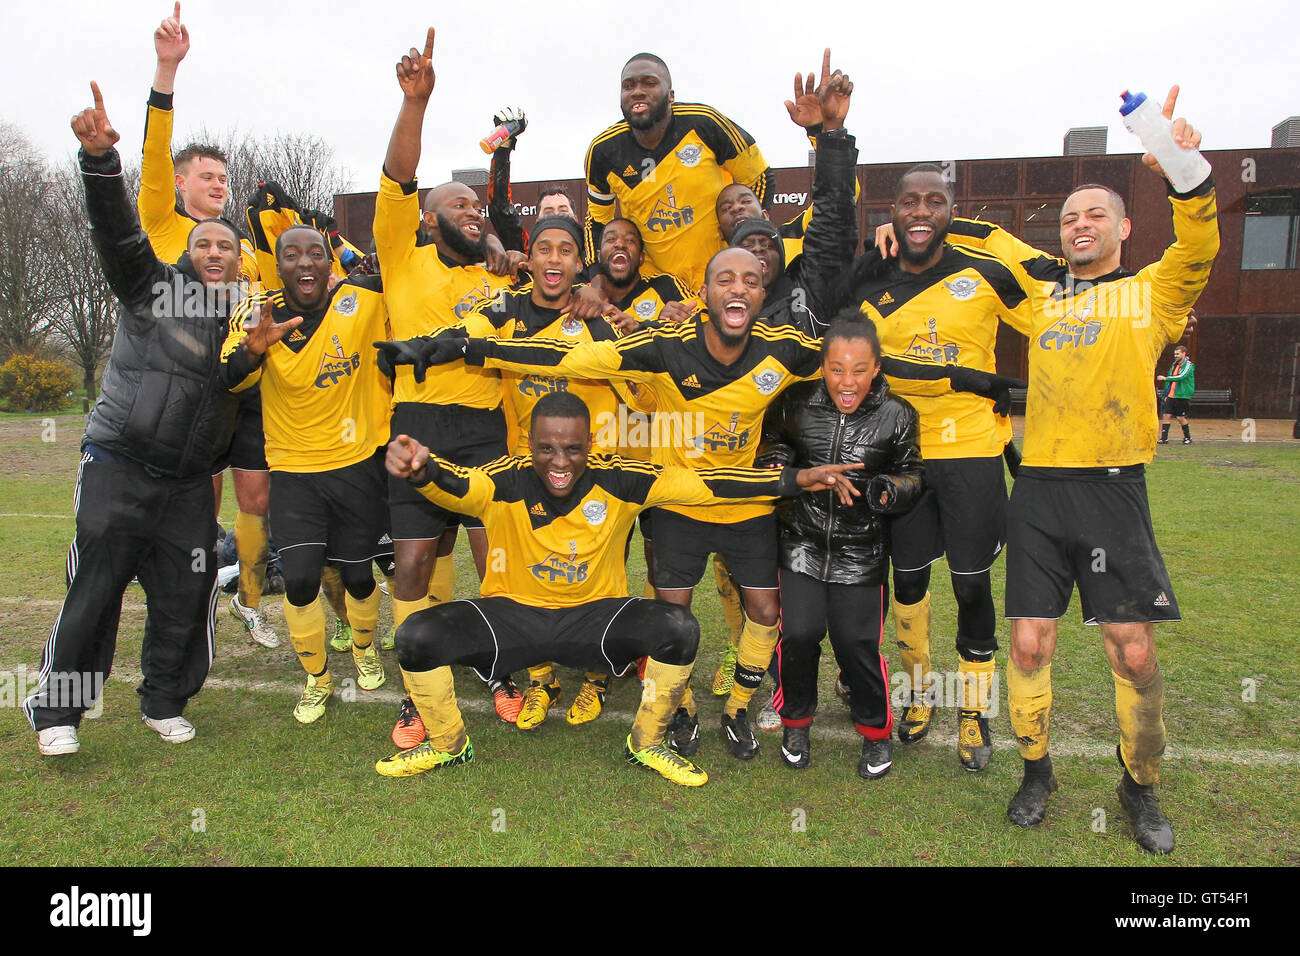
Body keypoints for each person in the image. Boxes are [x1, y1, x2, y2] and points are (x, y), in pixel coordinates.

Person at [375, 247, 1001, 761]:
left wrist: (983, 383)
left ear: (762, 295)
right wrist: (455, 347)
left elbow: (874, 365)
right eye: (723, 278)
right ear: (703, 292)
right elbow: (563, 355)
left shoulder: (783, 348)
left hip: (744, 503)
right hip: (677, 500)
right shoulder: (665, 347)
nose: (738, 288)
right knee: (670, 619)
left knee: (765, 610)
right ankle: (679, 712)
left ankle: (737, 711)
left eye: (752, 280)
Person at [941, 88, 1219, 854]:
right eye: (1068, 218)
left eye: (1094, 214)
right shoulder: (1042, 297)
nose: (1079, 226)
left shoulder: (1152, 293)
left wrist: (1181, 167)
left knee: (1132, 647)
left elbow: (1199, 245)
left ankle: (1140, 787)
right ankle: (1037, 772)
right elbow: (985, 243)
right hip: (1038, 493)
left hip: (1112, 491)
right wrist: (908, 232)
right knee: (1029, 644)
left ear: (1124, 227)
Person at [375, 391, 864, 785]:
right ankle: (448, 744)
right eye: (546, 448)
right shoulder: (506, 478)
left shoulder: (622, 477)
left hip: (595, 621)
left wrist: (797, 477)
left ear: (590, 444)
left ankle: (647, 740)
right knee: (416, 636)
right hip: (514, 617)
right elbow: (459, 486)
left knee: (678, 627)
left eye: (572, 448)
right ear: (529, 443)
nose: (559, 461)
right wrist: (424, 470)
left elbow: (710, 482)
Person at [25, 82, 241, 754]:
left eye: (224, 247)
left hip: (186, 487)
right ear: (187, 250)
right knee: (95, 592)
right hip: (119, 466)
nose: (212, 252)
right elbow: (117, 232)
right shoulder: (153, 287)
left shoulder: (244, 324)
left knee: (187, 592)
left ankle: (163, 700)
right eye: (202, 243)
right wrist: (98, 162)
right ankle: (59, 715)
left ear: (237, 261)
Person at [833, 163, 1033, 772]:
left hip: (972, 453)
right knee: (910, 583)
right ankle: (918, 692)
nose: (921, 212)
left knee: (972, 586)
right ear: (891, 212)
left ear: (952, 211)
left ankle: (973, 712)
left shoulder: (985, 272)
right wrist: (968, 377)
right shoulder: (871, 287)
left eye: (935, 202)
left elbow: (1055, 319)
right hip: (903, 458)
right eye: (909, 202)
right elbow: (861, 362)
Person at [373, 28, 527, 734]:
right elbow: (400, 176)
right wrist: (416, 103)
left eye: (478, 208)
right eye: (458, 207)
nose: (472, 213)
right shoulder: (402, 256)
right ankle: (418, 686)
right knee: (411, 566)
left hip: (485, 429)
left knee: (494, 560)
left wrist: (499, 249)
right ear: (430, 220)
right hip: (418, 428)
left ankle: (502, 667)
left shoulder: (496, 271)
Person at [443, 215, 632, 728]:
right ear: (532, 259)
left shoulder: (599, 318)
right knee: (526, 575)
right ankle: (540, 679)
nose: (554, 259)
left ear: (578, 262)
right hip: (529, 468)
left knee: (600, 572)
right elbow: (467, 336)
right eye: (544, 248)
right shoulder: (504, 310)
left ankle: (596, 676)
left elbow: (639, 380)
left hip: (598, 470)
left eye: (565, 250)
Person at [140, 4, 276, 650]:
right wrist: (167, 71)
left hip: (244, 393)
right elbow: (152, 153)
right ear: (180, 182)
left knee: (256, 501)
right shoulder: (167, 229)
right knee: (202, 507)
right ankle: (194, 601)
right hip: (190, 396)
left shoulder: (243, 249)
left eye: (225, 177)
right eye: (207, 176)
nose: (219, 184)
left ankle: (248, 596)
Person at [220, 225, 394, 723]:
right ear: (279, 264)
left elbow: (408, 270)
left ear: (328, 263)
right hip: (293, 473)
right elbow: (227, 377)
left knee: (359, 575)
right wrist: (254, 349)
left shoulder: (360, 300)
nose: (304, 263)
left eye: (315, 253)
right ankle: (316, 678)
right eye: (291, 254)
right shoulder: (259, 313)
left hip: (356, 466)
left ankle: (363, 649)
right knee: (299, 581)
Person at [759, 313, 923, 777]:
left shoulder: (898, 414)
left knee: (856, 644)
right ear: (822, 365)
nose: (846, 381)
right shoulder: (793, 402)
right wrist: (798, 477)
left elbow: (913, 473)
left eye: (858, 369)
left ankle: (875, 733)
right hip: (800, 545)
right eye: (836, 368)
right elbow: (771, 452)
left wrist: (883, 490)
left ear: (876, 367)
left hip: (862, 551)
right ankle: (796, 722)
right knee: (799, 635)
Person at [584, 52, 773, 288]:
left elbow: (759, 178)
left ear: (671, 95)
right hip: (659, 289)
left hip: (722, 278)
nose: (638, 91)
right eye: (628, 86)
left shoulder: (705, 123)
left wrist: (744, 241)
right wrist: (597, 280)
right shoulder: (603, 150)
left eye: (650, 83)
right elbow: (597, 221)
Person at [1157, 343, 1196, 444]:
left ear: (1184, 353)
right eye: (1175, 354)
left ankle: (1188, 437)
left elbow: (1182, 376)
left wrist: (1166, 378)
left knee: (1180, 417)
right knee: (1166, 415)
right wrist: (1166, 394)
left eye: (1178, 354)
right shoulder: (1174, 365)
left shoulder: (1189, 365)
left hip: (1182, 394)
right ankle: (1164, 438)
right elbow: (1170, 380)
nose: (1176, 356)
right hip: (1172, 394)